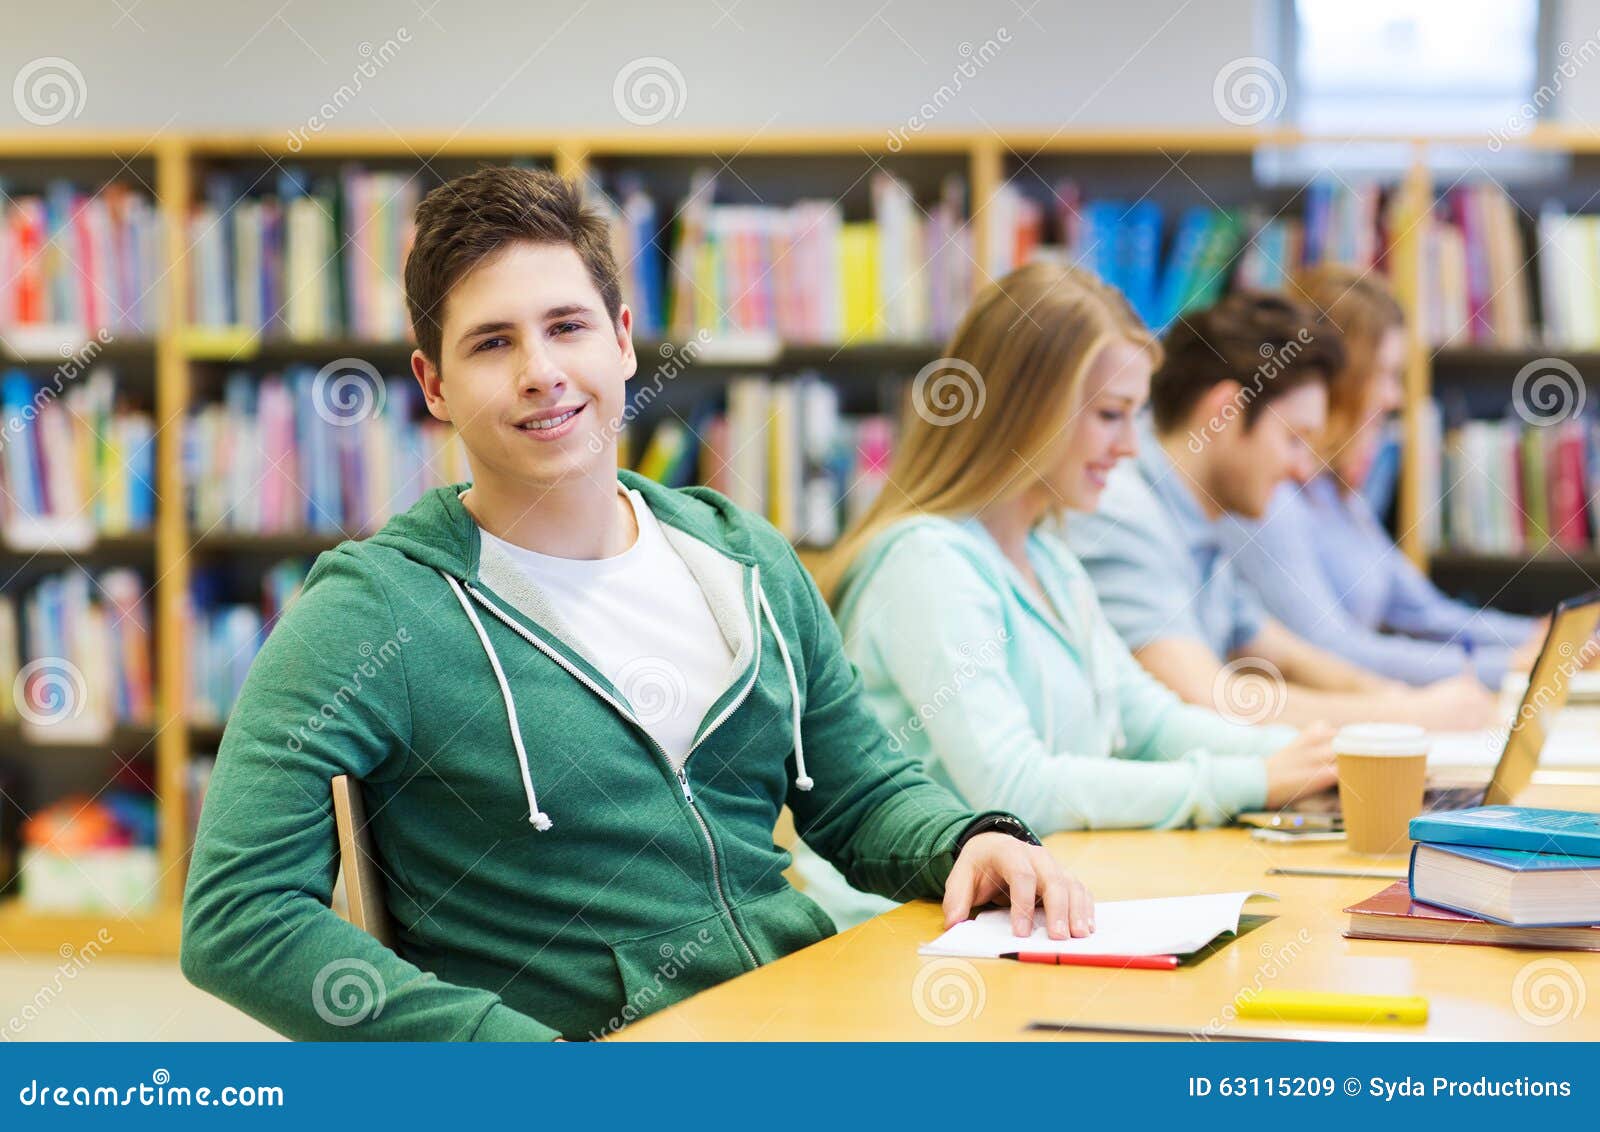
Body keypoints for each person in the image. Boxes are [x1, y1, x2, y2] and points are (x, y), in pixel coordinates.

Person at [180, 167, 1092, 1041]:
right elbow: (237, 915)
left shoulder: (742, 555)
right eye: (493, 343)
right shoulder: (374, 610)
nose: (541, 371)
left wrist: (969, 839)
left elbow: (856, 794)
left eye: (566, 326)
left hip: (811, 1013)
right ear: (433, 386)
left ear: (621, 339)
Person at [791, 264, 1335, 929]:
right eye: (1109, 416)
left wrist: (1305, 757)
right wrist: (1249, 782)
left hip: (1015, 912)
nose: (1129, 449)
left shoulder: (1048, 555)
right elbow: (1016, 789)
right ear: (1030, 409)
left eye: (1134, 417)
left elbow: (1146, 721)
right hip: (899, 931)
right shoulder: (927, 564)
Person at [1064, 291, 1495, 730]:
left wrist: (1395, 696)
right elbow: (1204, 697)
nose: (1303, 469)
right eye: (1294, 439)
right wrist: (1408, 715)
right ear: (1227, 411)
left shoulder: (1201, 522)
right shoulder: (1121, 511)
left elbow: (1280, 651)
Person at [1220, 266, 1541, 688]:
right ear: (1342, 379)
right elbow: (1332, 651)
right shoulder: (1268, 499)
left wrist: (1549, 638)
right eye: (1385, 374)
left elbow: (1423, 612)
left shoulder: (1336, 492)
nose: (1394, 397)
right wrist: (1509, 667)